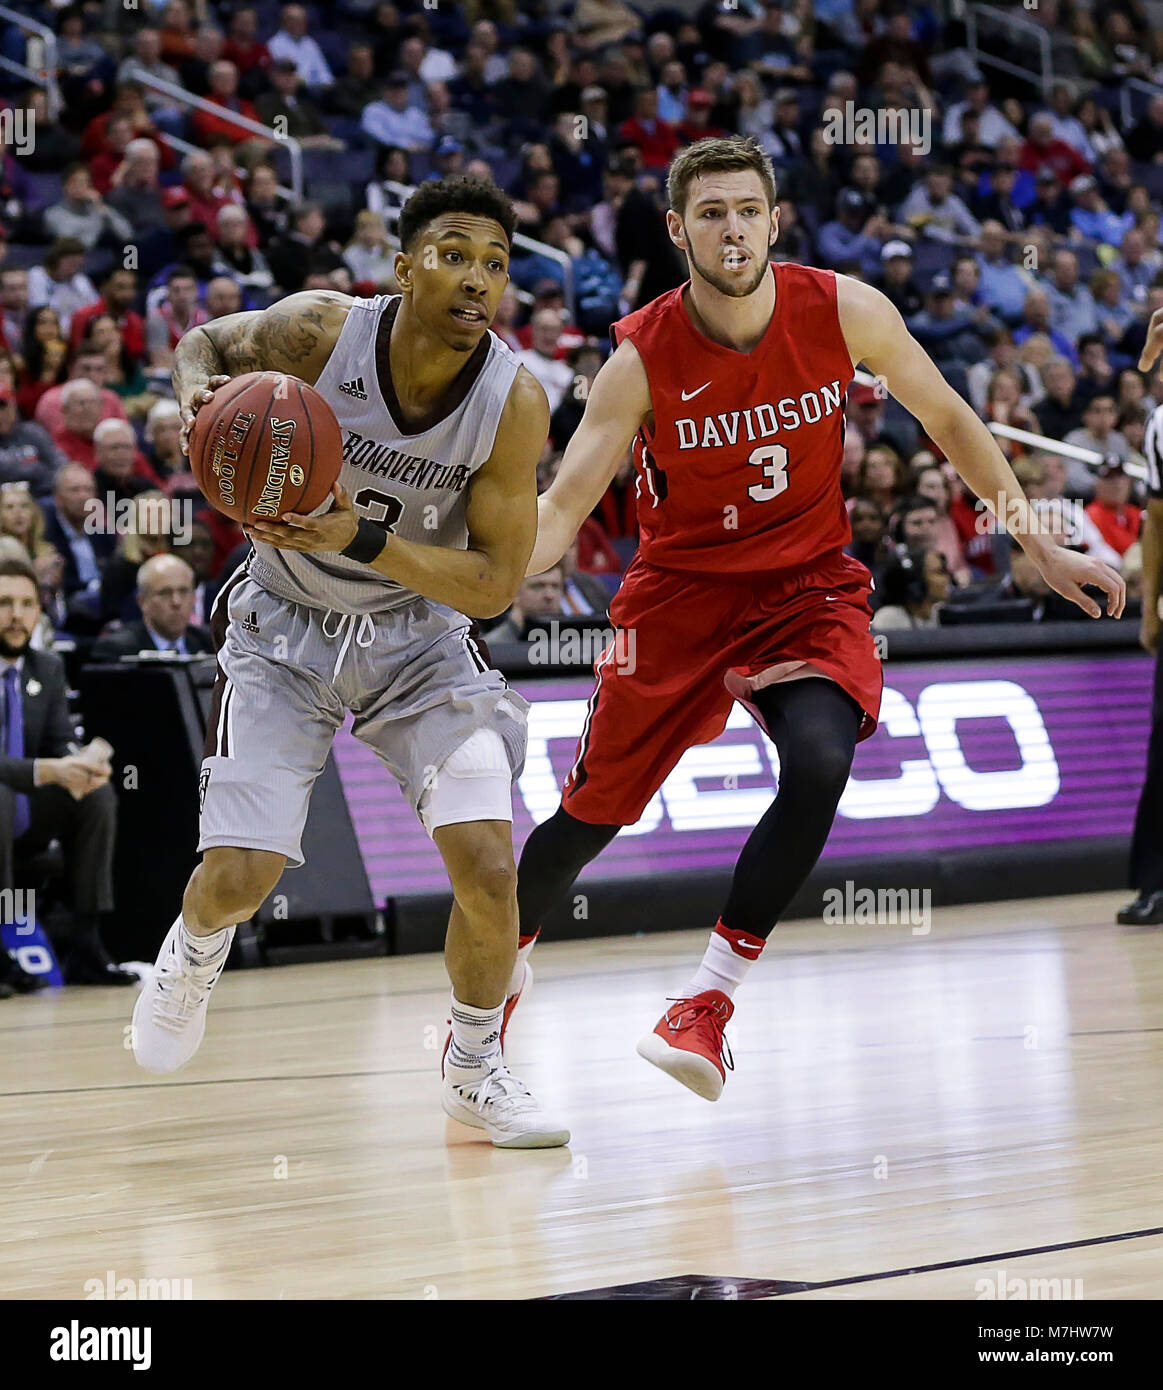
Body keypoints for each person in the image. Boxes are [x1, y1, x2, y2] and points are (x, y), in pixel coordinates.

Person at [516, 136, 1124, 1104]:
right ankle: (490, 988)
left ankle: (705, 1003)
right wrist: (485, 562)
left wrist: (1035, 539)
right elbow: (562, 507)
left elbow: (950, 418)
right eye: (709, 212)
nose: (731, 227)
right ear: (677, 230)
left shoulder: (843, 308)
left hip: (804, 585)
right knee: (588, 820)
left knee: (820, 761)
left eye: (746, 209)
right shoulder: (637, 359)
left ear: (773, 219)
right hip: (676, 599)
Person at [130, 175, 568, 1151]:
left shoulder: (512, 402)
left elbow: (494, 585)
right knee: (238, 877)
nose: (475, 278)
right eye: (452, 253)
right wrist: (196, 396)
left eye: (494, 264)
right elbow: (204, 343)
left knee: (489, 865)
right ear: (403, 265)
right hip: (283, 629)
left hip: (418, 641)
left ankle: (471, 1064)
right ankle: (194, 953)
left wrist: (357, 538)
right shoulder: (316, 332)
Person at [0, 557, 132, 991]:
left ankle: (87, 946)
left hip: (28, 807)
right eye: (4, 604)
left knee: (97, 795)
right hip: (5, 800)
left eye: (26, 604)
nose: (17, 615)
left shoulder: (48, 667)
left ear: (39, 611)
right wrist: (50, 769)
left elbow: (60, 742)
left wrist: (81, 762)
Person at [91, 553, 213, 658]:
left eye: (183, 591)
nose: (176, 602)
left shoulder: (211, 643)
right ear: (142, 601)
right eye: (165, 593)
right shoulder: (118, 651)